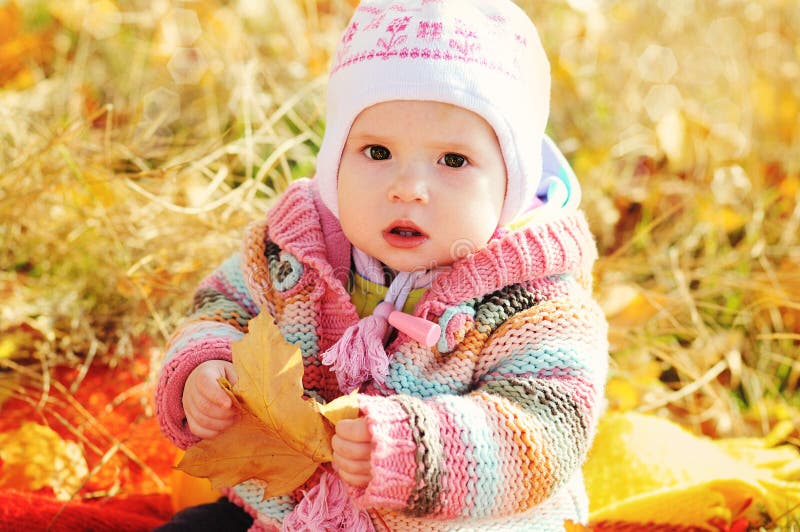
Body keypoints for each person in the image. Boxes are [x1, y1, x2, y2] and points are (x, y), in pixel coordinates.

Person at [155, 0, 608, 530]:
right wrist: (203, 368)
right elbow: (221, 307)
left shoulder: (535, 301)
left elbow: (548, 427)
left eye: (454, 161)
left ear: (510, 180)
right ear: (335, 161)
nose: (408, 188)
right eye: (376, 152)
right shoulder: (293, 253)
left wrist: (415, 448)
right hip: (284, 514)